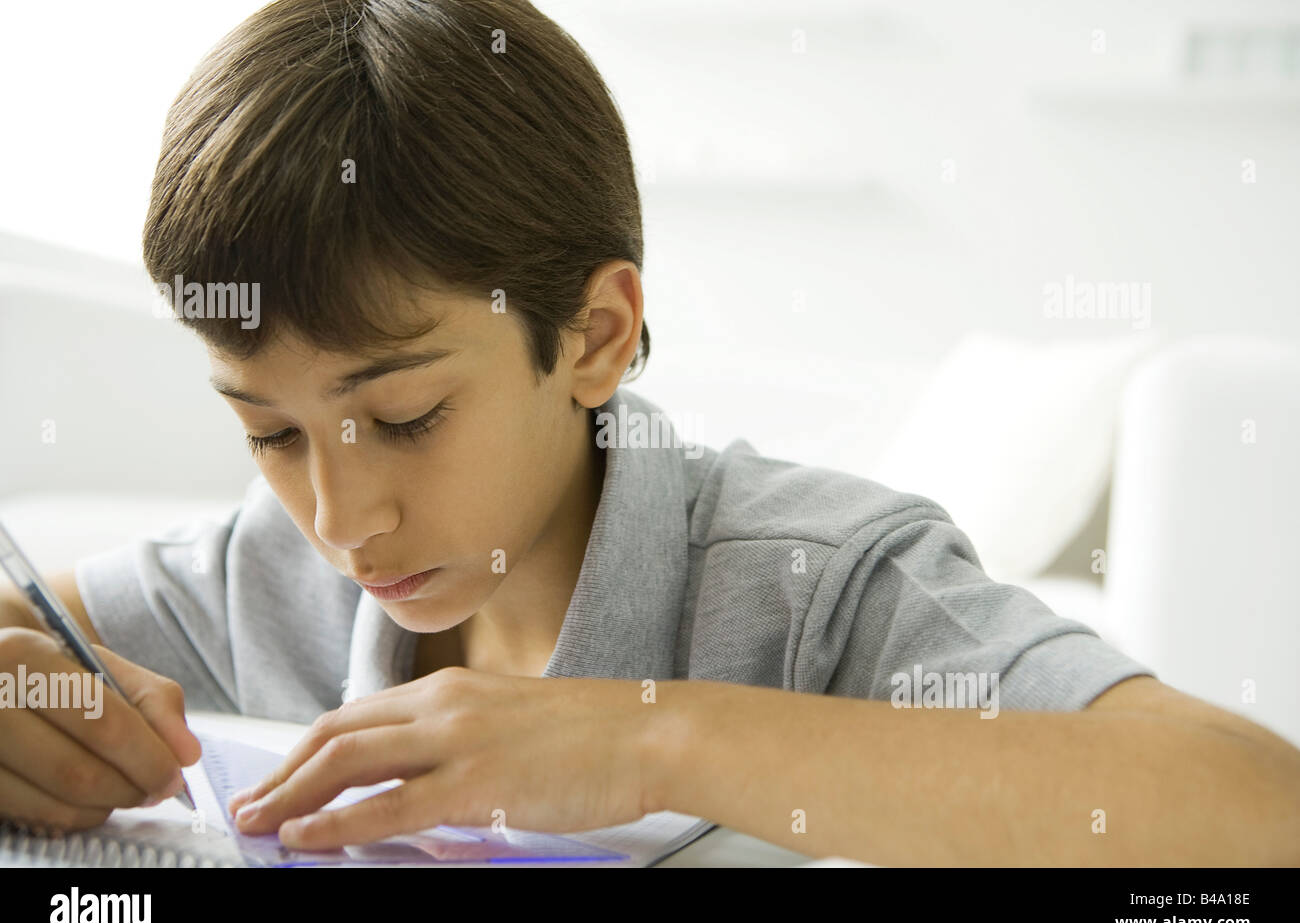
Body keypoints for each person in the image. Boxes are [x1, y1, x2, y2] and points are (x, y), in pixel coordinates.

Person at [1, 0, 1297, 866]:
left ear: (597, 334)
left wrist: (647, 738)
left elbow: (1256, 804)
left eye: (403, 417)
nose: (341, 522)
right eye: (273, 435)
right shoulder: (254, 579)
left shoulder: (817, 582)